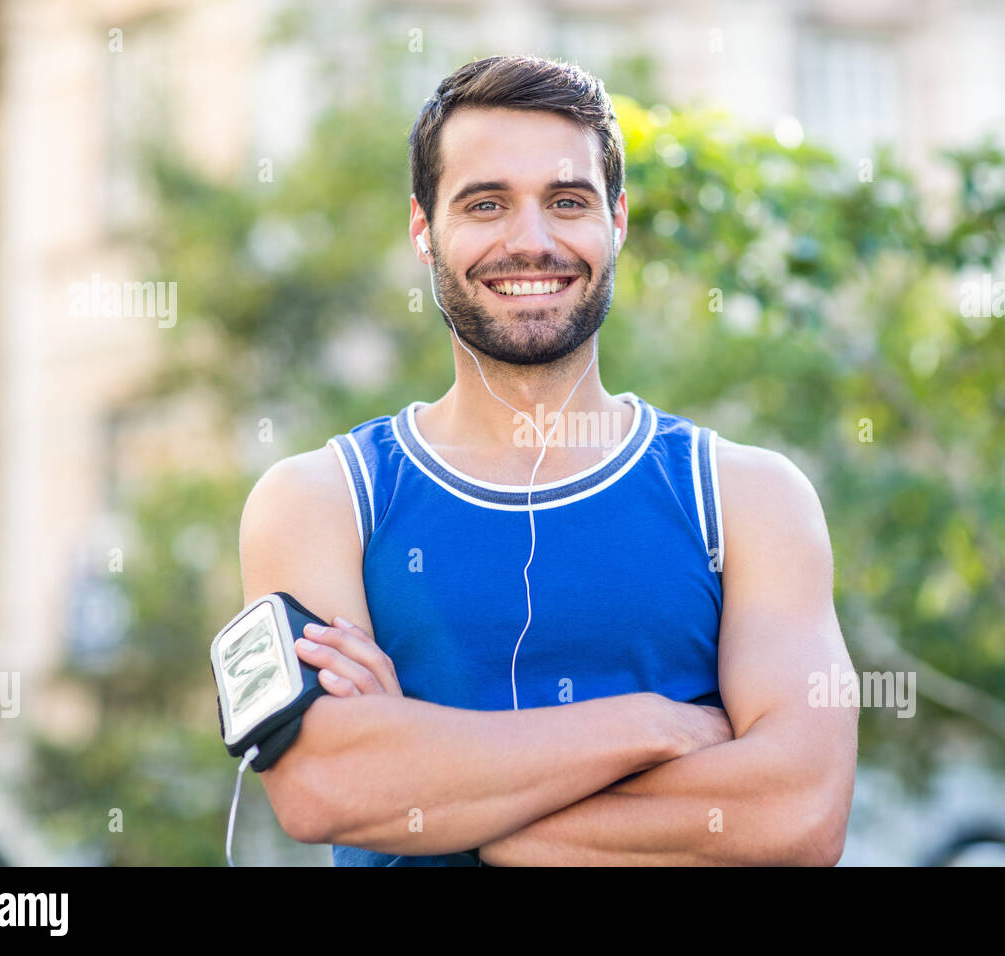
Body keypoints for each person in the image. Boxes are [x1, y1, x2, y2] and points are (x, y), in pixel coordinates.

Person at [239, 54, 857, 866]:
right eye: (486, 204)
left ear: (618, 221)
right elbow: (326, 788)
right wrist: (655, 725)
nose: (530, 243)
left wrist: (430, 779)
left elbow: (797, 811)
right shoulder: (318, 503)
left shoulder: (748, 499)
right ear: (424, 231)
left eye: (567, 202)